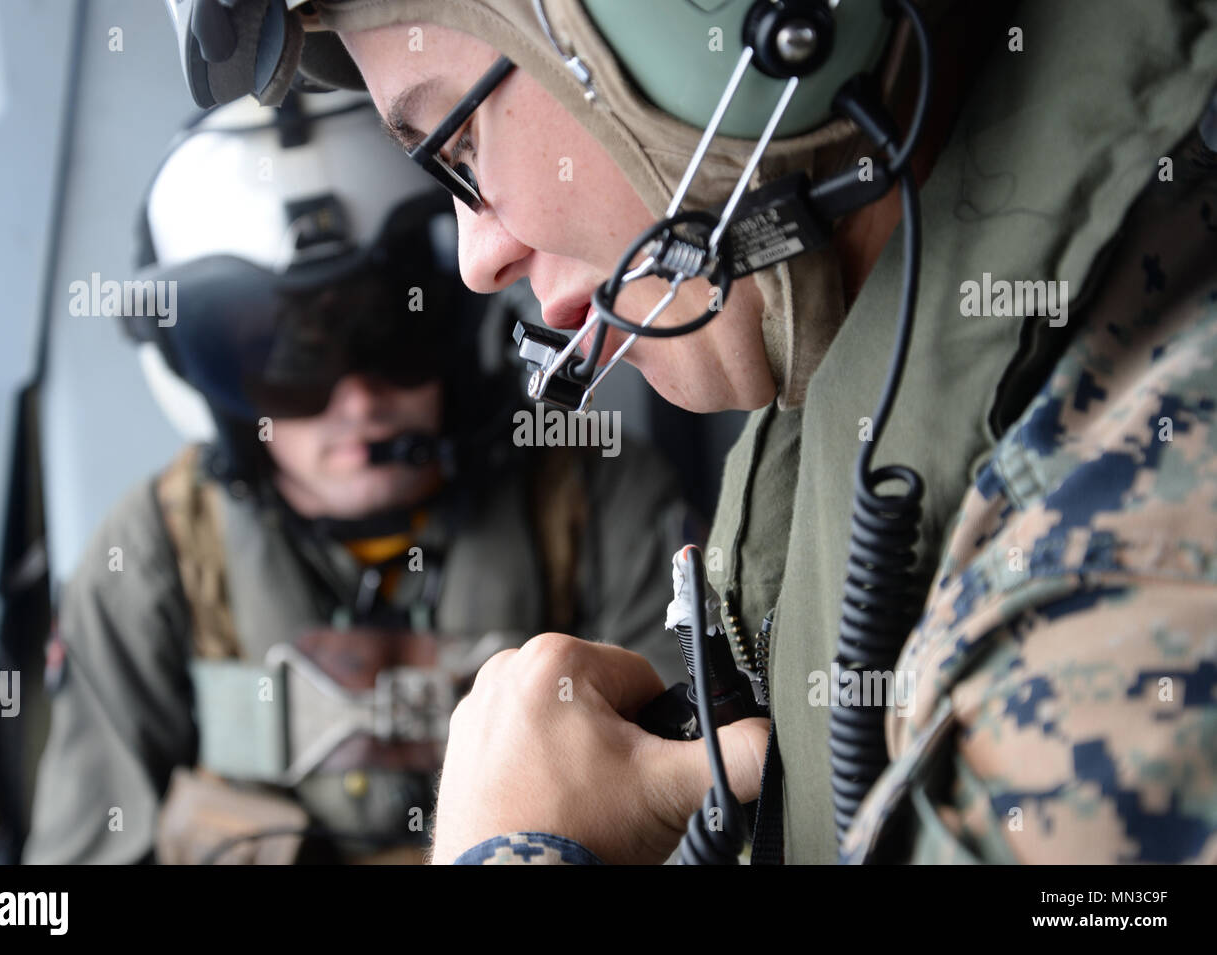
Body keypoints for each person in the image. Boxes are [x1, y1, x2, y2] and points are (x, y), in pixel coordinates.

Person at [162, 0, 1217, 864]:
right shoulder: (841, 408)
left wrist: (514, 854)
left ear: (702, 31)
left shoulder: (1126, 590)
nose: (477, 256)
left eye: (459, 143)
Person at [24, 92, 693, 864]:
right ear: (219, 387)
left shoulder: (602, 501)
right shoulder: (152, 557)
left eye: (393, 327)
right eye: (289, 359)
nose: (358, 400)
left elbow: (700, 806)